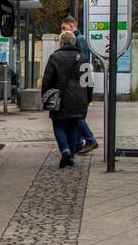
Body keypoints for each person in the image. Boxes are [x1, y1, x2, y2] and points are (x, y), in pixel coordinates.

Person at [41, 29, 93, 169]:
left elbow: (47, 80)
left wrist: (45, 96)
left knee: (59, 125)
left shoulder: (55, 57)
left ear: (62, 42)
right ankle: (71, 156)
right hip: (79, 99)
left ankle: (65, 151)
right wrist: (88, 98)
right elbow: (88, 81)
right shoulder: (82, 57)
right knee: (73, 126)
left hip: (61, 98)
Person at [59, 16, 100, 154]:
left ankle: (88, 140)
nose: (62, 31)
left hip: (77, 86)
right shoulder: (78, 39)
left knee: (75, 116)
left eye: (64, 28)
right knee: (74, 117)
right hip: (78, 85)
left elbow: (84, 63)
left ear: (71, 26)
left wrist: (85, 87)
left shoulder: (79, 39)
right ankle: (78, 144)